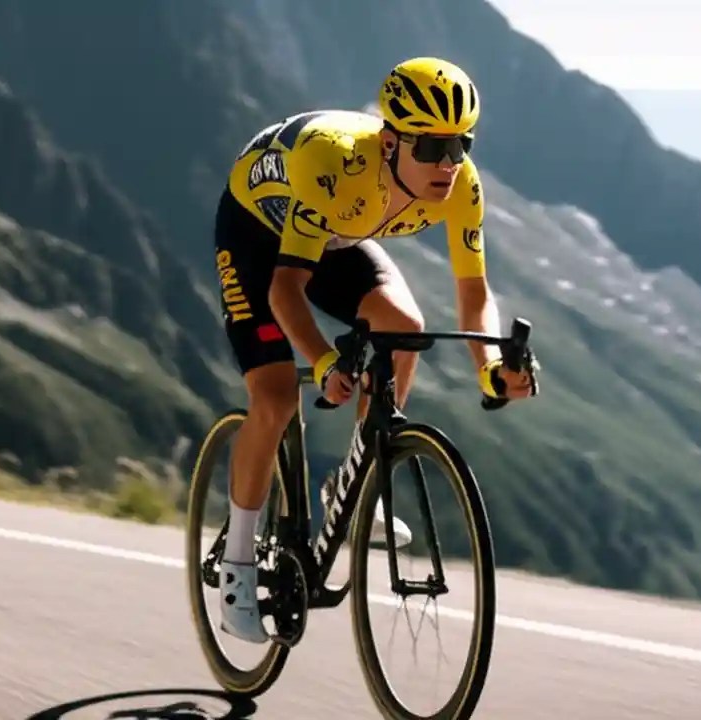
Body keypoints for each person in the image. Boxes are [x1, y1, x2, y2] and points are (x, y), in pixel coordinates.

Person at [211, 57, 539, 644]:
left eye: (459, 145)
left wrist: (491, 369)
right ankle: (237, 564)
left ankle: (352, 480)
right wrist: (324, 360)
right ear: (390, 141)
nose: (447, 163)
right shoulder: (334, 162)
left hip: (333, 235)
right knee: (277, 393)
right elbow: (285, 288)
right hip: (257, 233)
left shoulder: (461, 185)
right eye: (431, 146)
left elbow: (474, 294)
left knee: (404, 326)